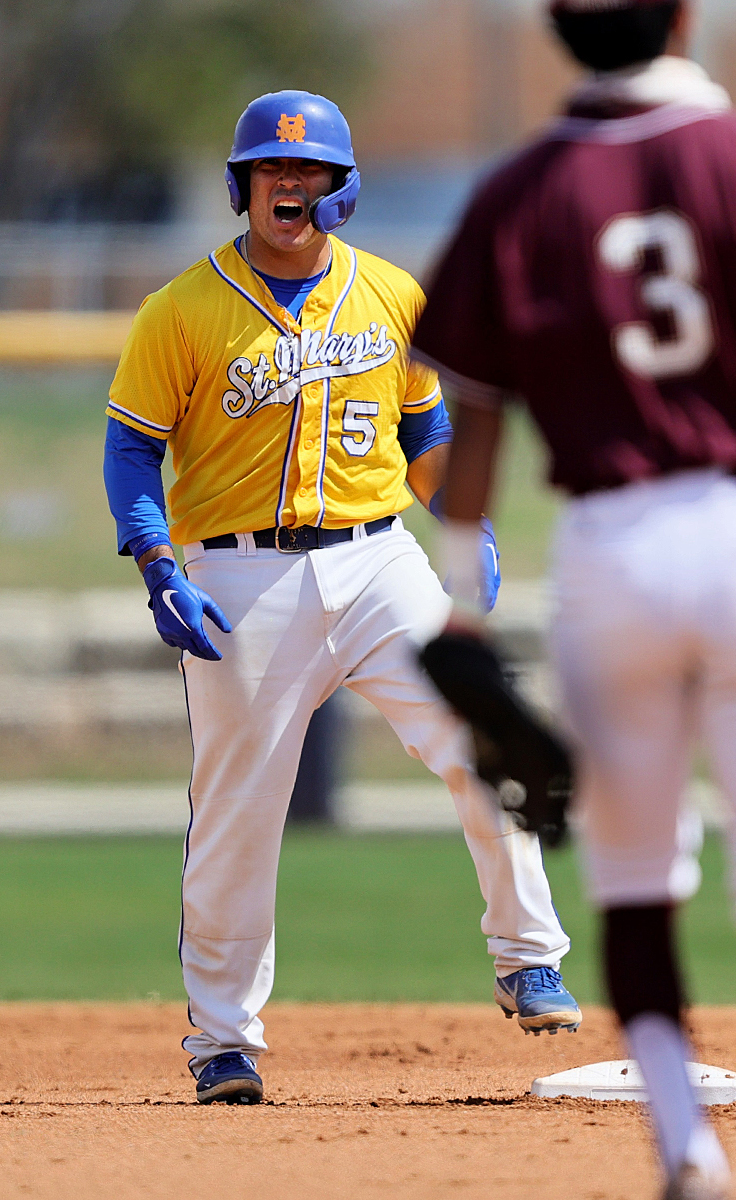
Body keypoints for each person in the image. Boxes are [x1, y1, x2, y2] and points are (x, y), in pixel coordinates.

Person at [411, 2, 736, 1195]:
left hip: (612, 547)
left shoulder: (520, 190)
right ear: (686, 15)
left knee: (634, 881)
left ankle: (685, 1144)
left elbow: (468, 422)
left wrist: (458, 607)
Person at [102, 90, 577, 1106]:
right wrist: (157, 562)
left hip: (378, 558)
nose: (289, 184)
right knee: (237, 811)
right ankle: (223, 1041)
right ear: (241, 186)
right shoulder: (180, 310)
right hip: (239, 573)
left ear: (342, 187)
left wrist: (466, 527)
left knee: (482, 727)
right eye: (271, 171)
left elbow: (428, 430)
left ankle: (528, 954)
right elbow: (133, 447)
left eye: (310, 170)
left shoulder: (392, 296)